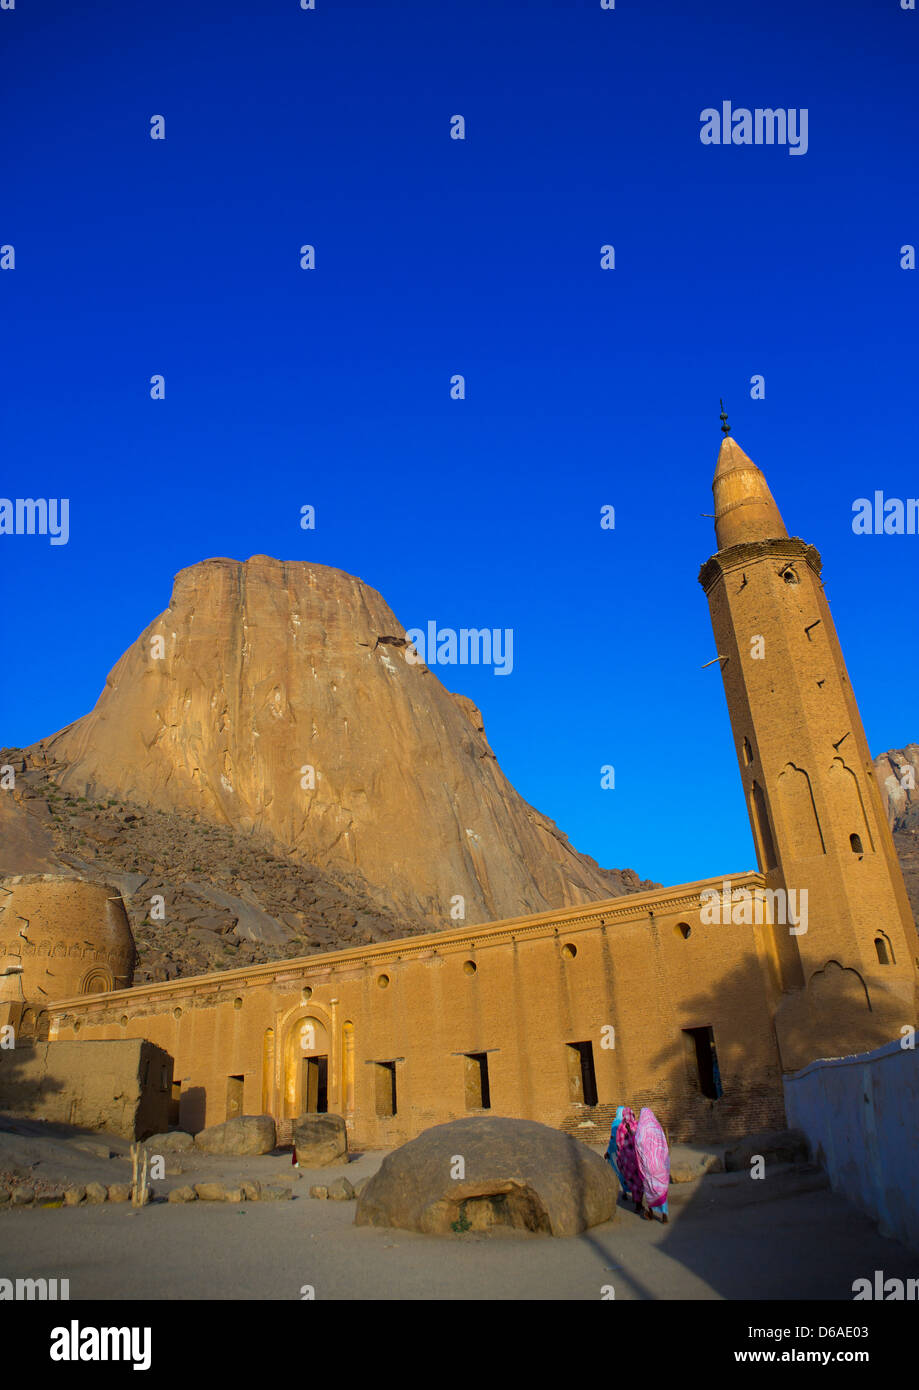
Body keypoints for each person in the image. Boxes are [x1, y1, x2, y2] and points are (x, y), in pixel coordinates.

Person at [634, 1107, 670, 1222]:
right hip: (660, 1164)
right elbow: (664, 1144)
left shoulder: (641, 1130)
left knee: (649, 1188)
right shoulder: (657, 1128)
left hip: (648, 1165)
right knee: (661, 1190)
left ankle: (650, 1212)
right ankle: (664, 1215)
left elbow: (638, 1145)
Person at [606, 1105, 643, 1210]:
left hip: (625, 1157)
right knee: (638, 1178)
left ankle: (629, 1194)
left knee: (626, 1175)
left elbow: (616, 1141)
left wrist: (611, 1151)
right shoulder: (637, 1125)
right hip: (637, 1157)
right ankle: (638, 1199)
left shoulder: (619, 1126)